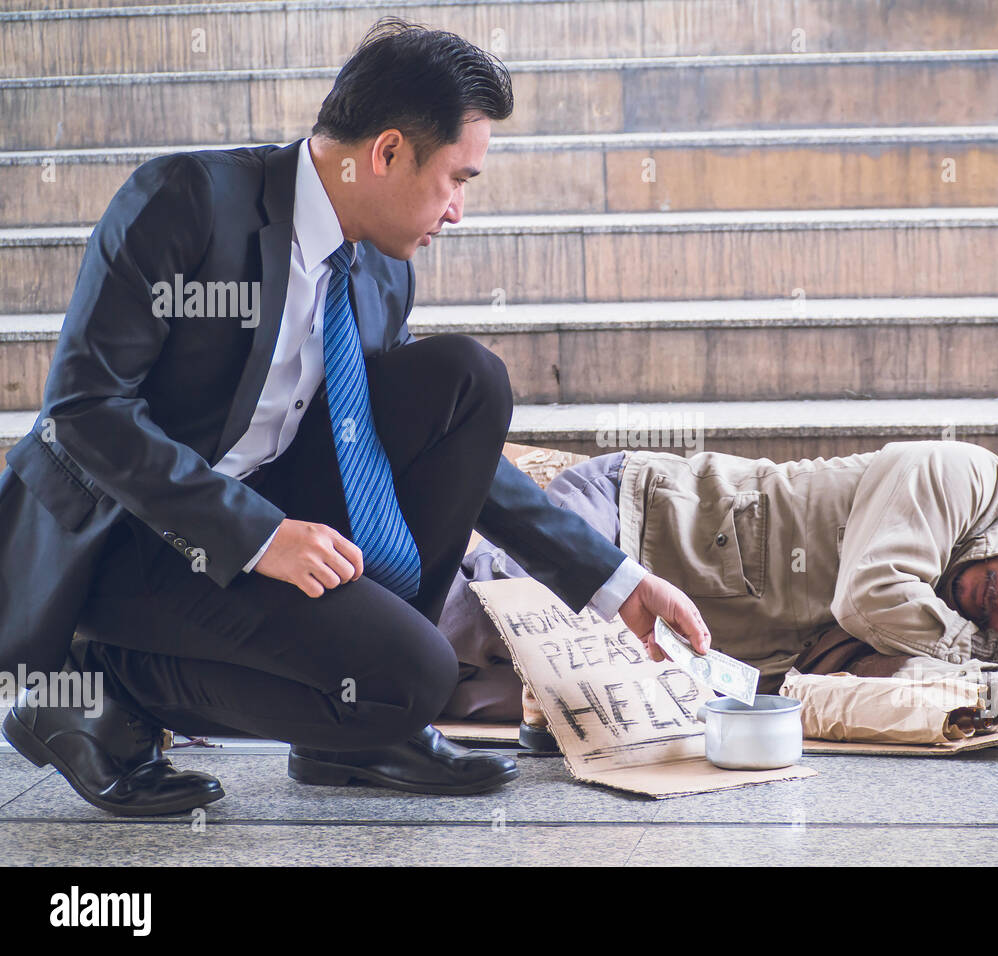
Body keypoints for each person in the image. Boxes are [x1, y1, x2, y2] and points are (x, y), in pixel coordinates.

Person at [0, 21, 709, 817]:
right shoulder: (186, 203)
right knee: (418, 676)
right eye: (456, 179)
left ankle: (365, 729)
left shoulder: (377, 268)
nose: (459, 212)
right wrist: (258, 535)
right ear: (388, 152)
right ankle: (91, 690)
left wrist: (613, 582)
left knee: (465, 380)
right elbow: (83, 414)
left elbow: (426, 451)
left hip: (263, 506)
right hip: (128, 539)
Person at [441, 442, 998, 742]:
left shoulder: (971, 637)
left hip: (672, 652)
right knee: (465, 633)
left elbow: (885, 688)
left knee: (469, 700)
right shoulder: (964, 476)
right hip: (632, 527)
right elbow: (871, 597)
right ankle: (334, 602)